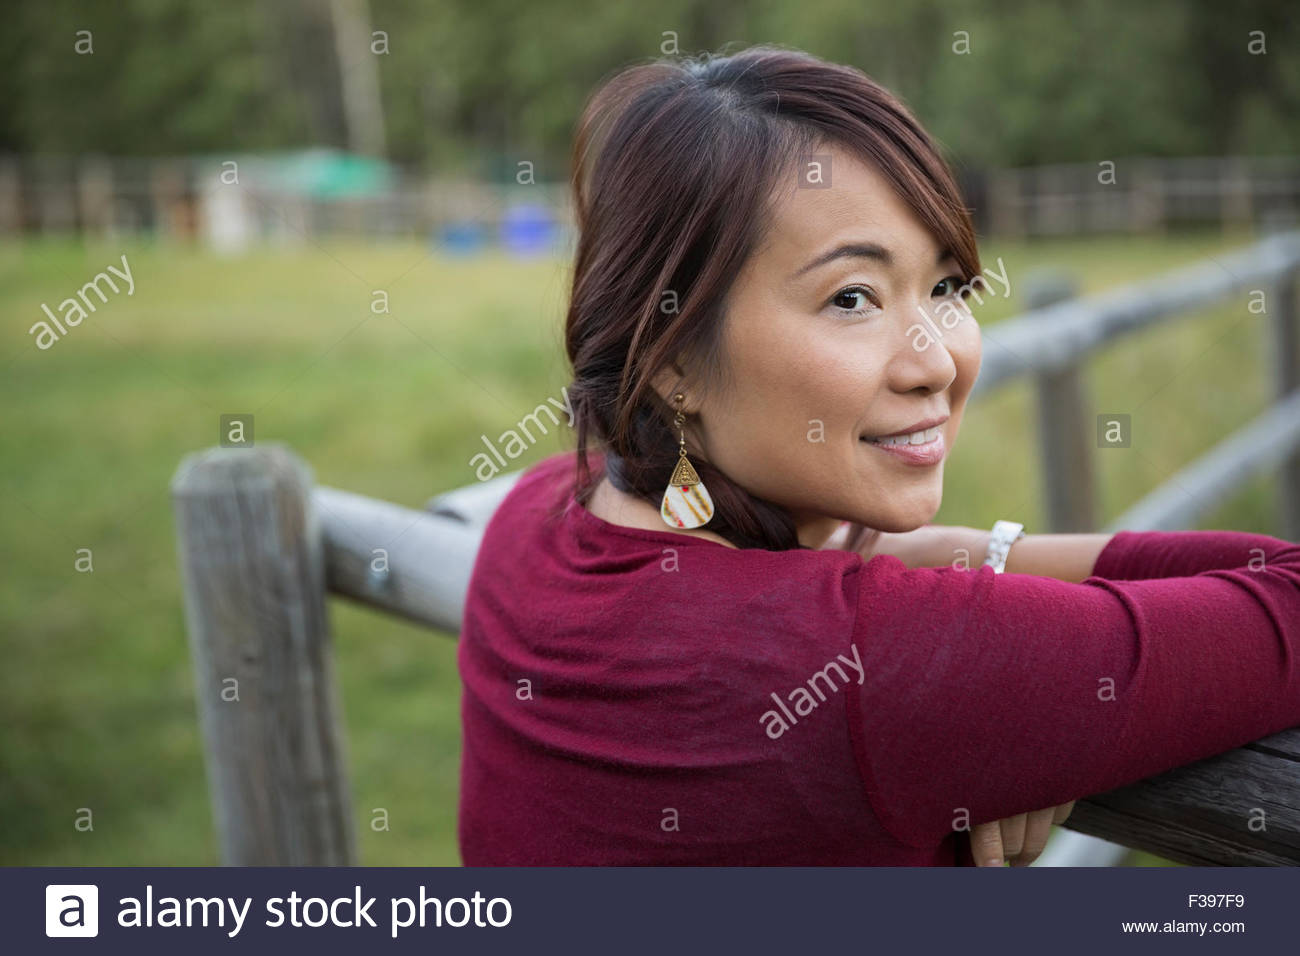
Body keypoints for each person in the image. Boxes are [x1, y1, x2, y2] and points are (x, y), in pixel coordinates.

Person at [456, 44, 1300, 866]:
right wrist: (999, 688)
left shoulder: (537, 516)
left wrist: (965, 585)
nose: (935, 359)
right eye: (851, 298)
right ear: (673, 359)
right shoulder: (875, 661)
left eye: (945, 287)